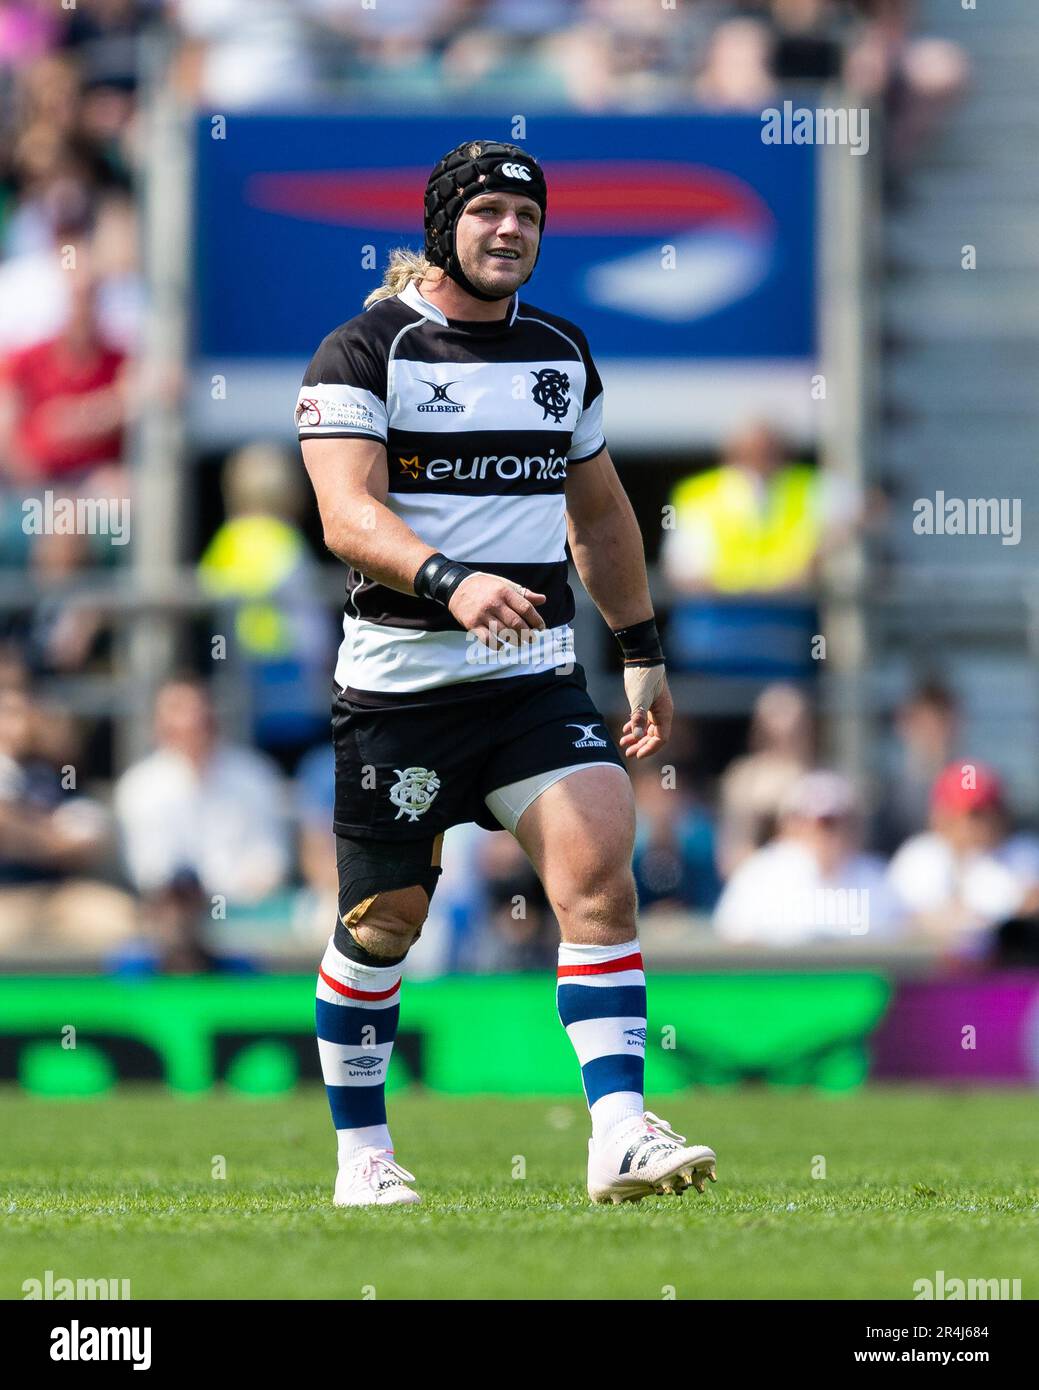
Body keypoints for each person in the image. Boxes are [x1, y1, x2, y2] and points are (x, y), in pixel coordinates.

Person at [298, 138, 716, 1207]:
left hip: (529, 680)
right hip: (398, 689)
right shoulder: (362, 352)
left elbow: (601, 515)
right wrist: (451, 580)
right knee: (383, 924)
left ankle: (618, 1129)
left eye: (526, 217)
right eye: (486, 212)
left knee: (598, 873)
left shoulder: (559, 355)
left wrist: (639, 650)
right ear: (444, 226)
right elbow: (347, 517)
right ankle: (362, 1157)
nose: (508, 231)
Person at [113, 677, 291, 908]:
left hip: (249, 911)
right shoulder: (139, 786)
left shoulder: (254, 775)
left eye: (198, 717)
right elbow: (150, 871)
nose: (190, 724)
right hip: (176, 919)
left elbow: (271, 859)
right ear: (160, 726)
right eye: (178, 715)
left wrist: (235, 895)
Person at [713, 770, 901, 945]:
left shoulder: (876, 876)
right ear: (789, 824)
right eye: (814, 821)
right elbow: (731, 938)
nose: (823, 832)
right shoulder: (757, 875)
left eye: (832, 822)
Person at [887, 763, 1039, 943]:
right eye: (963, 814)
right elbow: (900, 920)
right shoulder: (918, 856)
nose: (972, 825)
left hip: (1009, 965)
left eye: (981, 813)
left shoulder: (1026, 853)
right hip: (935, 966)